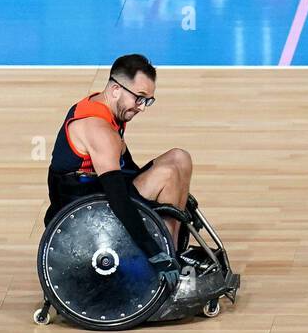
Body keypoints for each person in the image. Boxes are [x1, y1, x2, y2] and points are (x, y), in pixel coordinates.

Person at [45, 53, 197, 292]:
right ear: (116, 89)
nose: (142, 108)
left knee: (180, 158)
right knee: (167, 174)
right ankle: (165, 257)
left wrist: (180, 197)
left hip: (96, 189)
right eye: (139, 98)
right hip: (84, 205)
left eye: (147, 100)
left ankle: (172, 250)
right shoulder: (97, 128)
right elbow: (118, 198)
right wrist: (151, 250)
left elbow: (128, 169)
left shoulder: (110, 109)